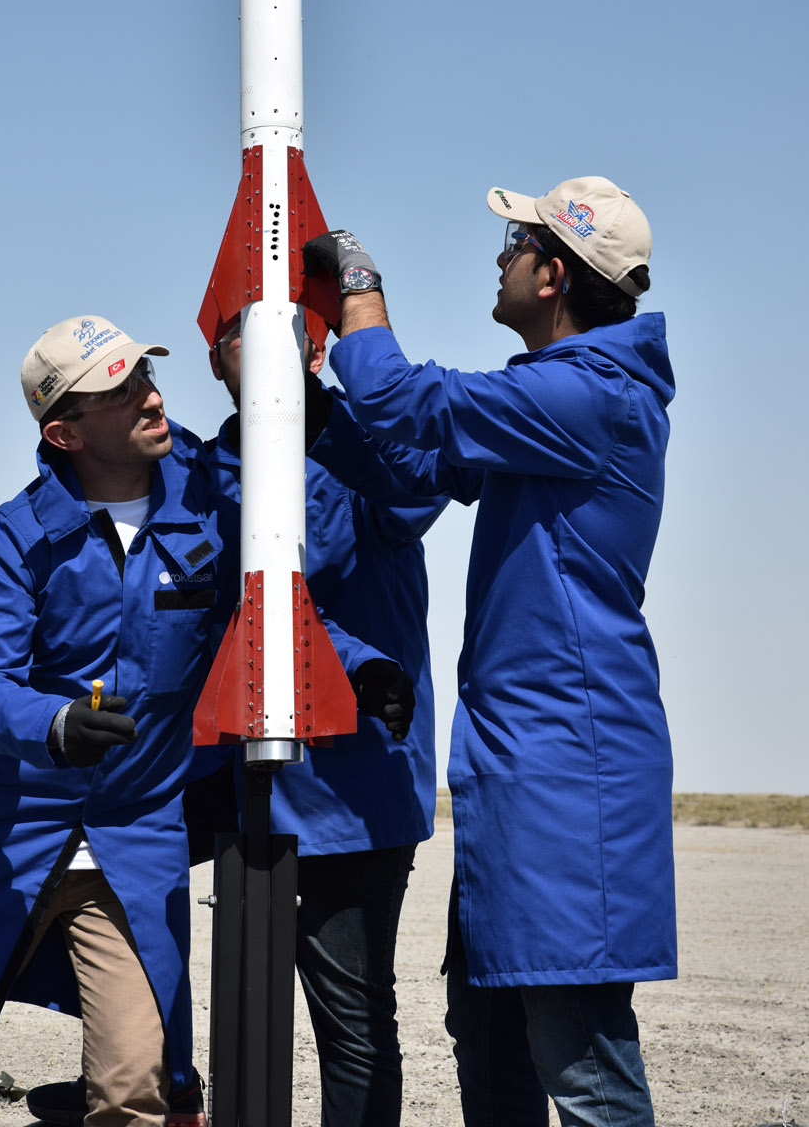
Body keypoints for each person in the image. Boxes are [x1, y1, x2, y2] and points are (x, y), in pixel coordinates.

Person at [0, 314, 393, 1127]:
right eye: (120, 390)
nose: (151, 396)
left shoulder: (209, 511)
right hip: (6, 838)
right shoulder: (9, 539)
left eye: (144, 375)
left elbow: (272, 613)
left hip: (133, 847)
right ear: (63, 431)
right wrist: (56, 722)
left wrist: (359, 666)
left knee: (136, 1090)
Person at [303, 178, 677, 1127]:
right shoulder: (558, 404)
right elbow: (415, 459)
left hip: (565, 772)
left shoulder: (588, 394)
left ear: (552, 275)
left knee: (583, 1066)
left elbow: (404, 398)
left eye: (512, 246)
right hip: (522, 771)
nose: (499, 261)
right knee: (491, 1035)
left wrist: (359, 286)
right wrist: (295, 412)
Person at [25, 320, 439, 1127]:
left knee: (352, 1019)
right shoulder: (193, 471)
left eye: (286, 329)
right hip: (220, 771)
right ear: (216, 359)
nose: (263, 342)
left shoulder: (366, 457)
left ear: (315, 352)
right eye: (240, 332)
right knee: (106, 903)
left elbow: (414, 490)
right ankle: (153, 1084)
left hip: (352, 786)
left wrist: (317, 415)